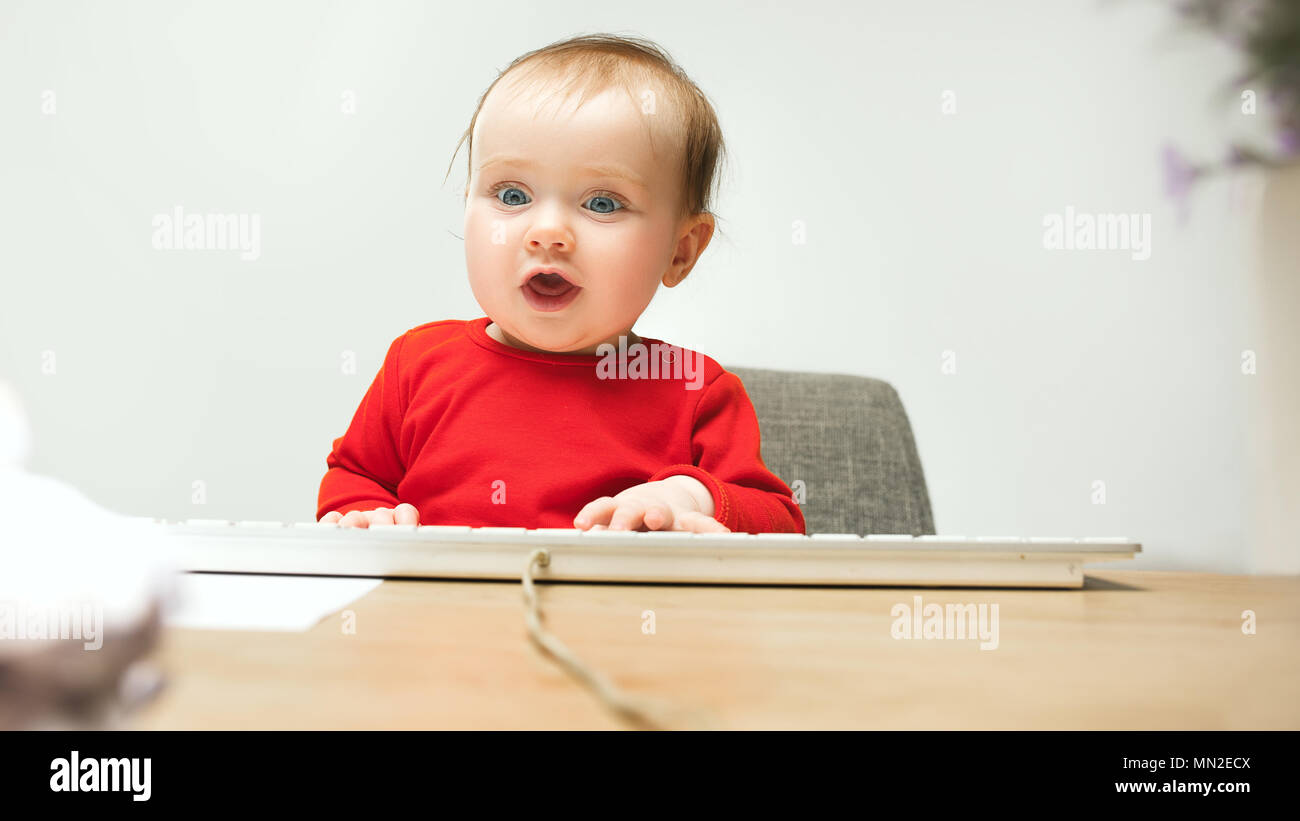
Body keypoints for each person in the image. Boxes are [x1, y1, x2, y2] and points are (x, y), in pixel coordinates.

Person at [317, 33, 804, 535]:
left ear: (681, 251)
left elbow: (781, 523)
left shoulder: (695, 390)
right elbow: (356, 478)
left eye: (602, 204)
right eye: (510, 194)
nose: (547, 232)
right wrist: (365, 516)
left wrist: (692, 495)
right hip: (443, 611)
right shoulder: (415, 367)